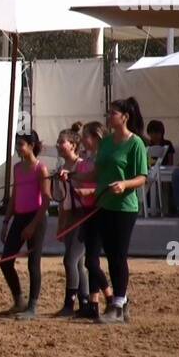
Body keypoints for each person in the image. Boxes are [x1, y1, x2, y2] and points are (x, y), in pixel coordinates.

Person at [62, 97, 149, 324]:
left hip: (124, 207)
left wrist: (124, 184)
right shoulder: (108, 142)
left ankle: (118, 305)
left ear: (125, 117)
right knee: (108, 256)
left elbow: (142, 177)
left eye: (113, 113)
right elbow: (96, 174)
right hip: (103, 205)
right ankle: (120, 301)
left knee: (118, 255)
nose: (109, 116)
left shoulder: (135, 143)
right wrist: (73, 175)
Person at [0, 130, 51, 320]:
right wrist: (6, 221)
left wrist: (33, 225)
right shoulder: (17, 168)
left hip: (36, 217)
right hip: (19, 217)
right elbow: (14, 197)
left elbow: (46, 199)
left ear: (31, 146)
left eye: (21, 144)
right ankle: (18, 300)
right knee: (5, 261)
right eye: (17, 144)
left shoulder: (40, 169)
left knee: (33, 263)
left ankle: (32, 306)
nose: (19, 148)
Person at [73, 121, 114, 318]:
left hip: (98, 211)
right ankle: (94, 303)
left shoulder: (102, 157)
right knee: (92, 258)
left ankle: (112, 298)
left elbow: (103, 184)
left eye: (86, 136)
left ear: (96, 137)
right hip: (88, 210)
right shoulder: (89, 157)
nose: (82, 140)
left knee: (91, 261)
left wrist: (87, 190)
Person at [53, 124, 90, 317]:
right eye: (58, 142)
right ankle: (84, 302)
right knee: (78, 262)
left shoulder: (82, 166)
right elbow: (61, 201)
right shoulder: (61, 169)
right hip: (69, 216)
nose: (58, 145)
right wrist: (61, 224)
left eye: (62, 142)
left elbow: (87, 189)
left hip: (83, 216)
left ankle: (70, 303)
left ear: (73, 145)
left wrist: (71, 178)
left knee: (70, 260)